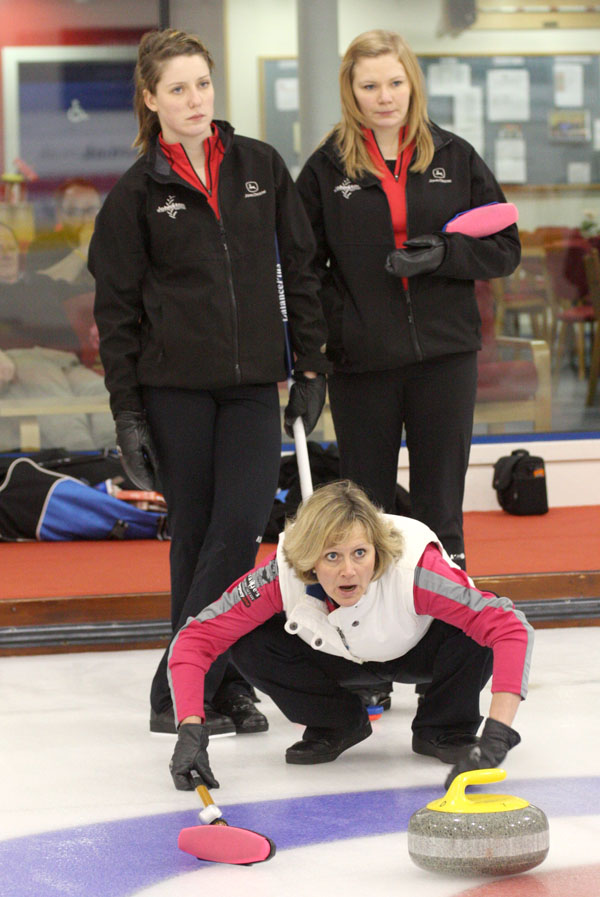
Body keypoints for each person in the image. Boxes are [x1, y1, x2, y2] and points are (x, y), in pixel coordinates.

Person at [89, 29, 329, 738]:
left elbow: (303, 270)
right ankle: (211, 689)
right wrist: (127, 413)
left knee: (241, 527)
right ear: (150, 98)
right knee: (196, 536)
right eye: (177, 89)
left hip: (254, 385)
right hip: (176, 391)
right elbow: (118, 314)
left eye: (202, 84)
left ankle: (180, 681)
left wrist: (310, 368)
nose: (194, 100)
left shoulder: (259, 166)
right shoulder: (136, 194)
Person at [295, 30, 521, 571]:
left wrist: (444, 253)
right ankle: (372, 635)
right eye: (370, 85)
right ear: (352, 92)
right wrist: (341, 324)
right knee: (365, 512)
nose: (385, 96)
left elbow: (505, 247)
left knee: (440, 508)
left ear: (412, 84)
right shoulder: (327, 169)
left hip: (444, 357)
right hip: (363, 363)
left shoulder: (454, 156)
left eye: (395, 82)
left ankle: (443, 624)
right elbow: (303, 266)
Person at [166, 479, 532, 792]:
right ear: (308, 559)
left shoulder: (415, 569)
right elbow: (196, 638)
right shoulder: (280, 574)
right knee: (248, 641)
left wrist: (497, 732)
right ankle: (336, 721)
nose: (349, 572)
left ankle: (444, 726)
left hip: (421, 650)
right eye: (332, 557)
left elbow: (510, 626)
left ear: (377, 548)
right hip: (337, 657)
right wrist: (190, 731)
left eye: (360, 553)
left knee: (477, 624)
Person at [25, 178, 100, 288]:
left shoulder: (115, 244)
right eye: (74, 211)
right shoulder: (44, 245)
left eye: (91, 210)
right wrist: (84, 249)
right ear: (59, 215)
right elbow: (41, 285)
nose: (85, 219)